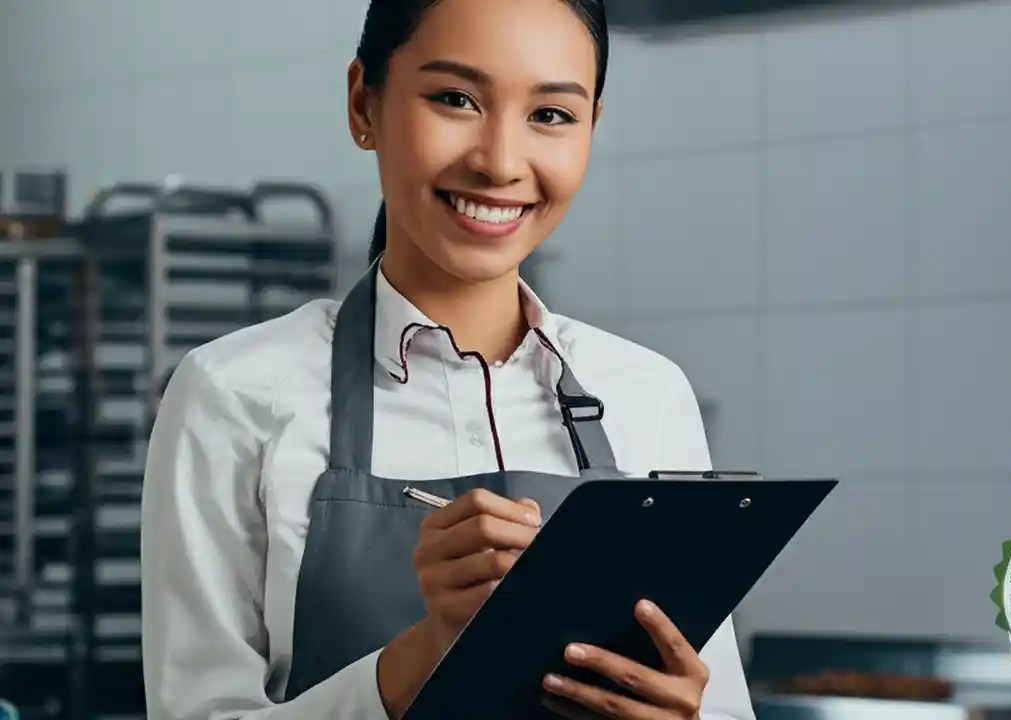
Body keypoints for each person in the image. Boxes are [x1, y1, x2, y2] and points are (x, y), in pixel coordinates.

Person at [139, 0, 758, 718]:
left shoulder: (649, 396)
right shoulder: (233, 395)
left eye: (551, 114)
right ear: (361, 102)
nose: (499, 163)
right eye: (454, 99)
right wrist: (422, 655)